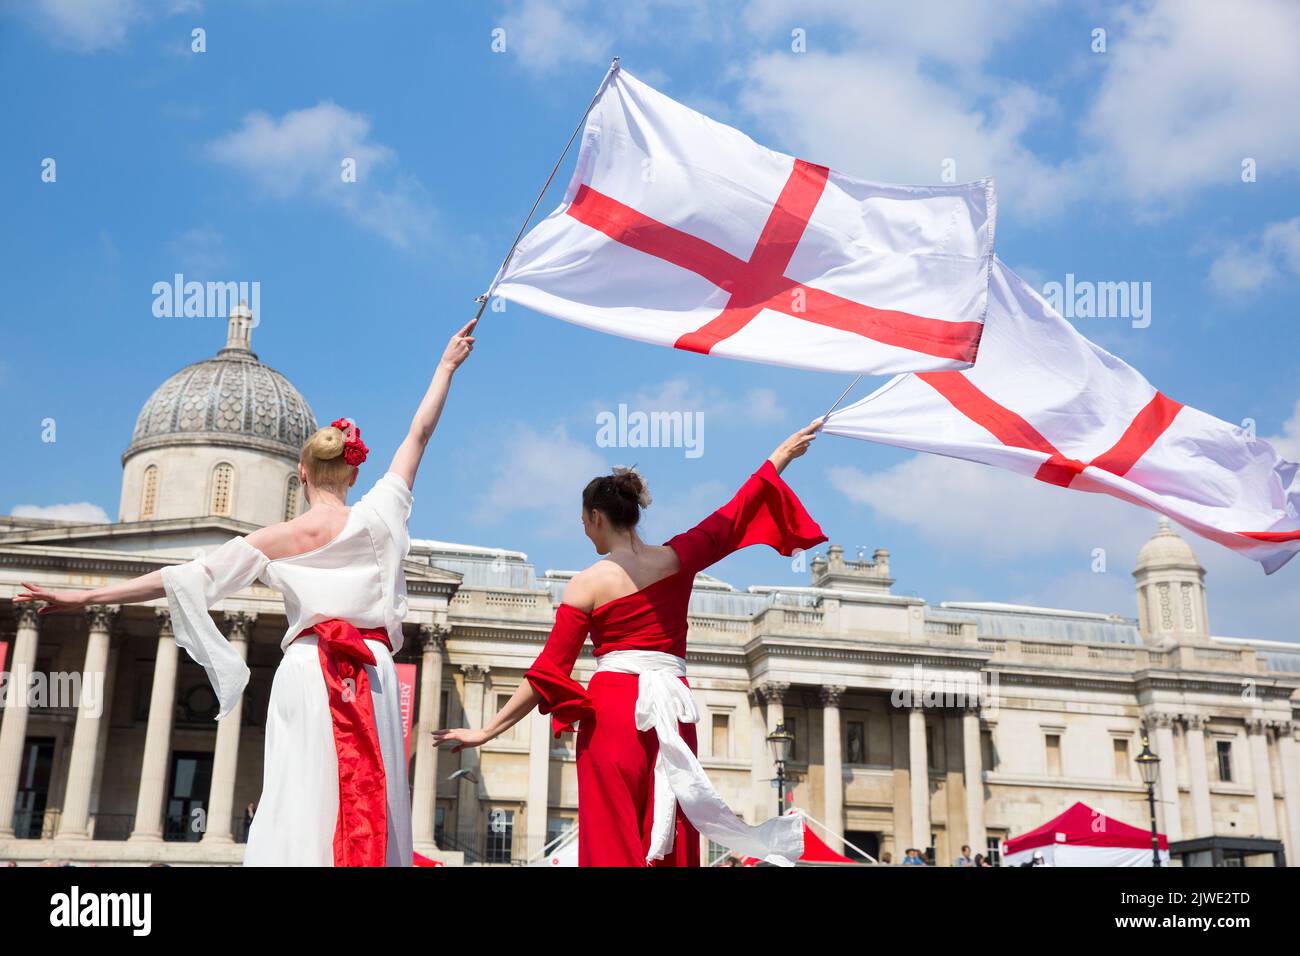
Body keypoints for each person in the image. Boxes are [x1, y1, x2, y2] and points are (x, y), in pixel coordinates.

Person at [17, 321, 476, 866]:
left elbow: (179, 579)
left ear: (299, 474)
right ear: (351, 475)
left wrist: (80, 599)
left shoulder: (271, 539)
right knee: (371, 793)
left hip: (309, 671)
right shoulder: (382, 514)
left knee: (300, 795)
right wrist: (445, 366)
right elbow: (418, 435)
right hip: (371, 672)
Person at [434, 423, 827, 866]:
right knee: (672, 822)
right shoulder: (678, 558)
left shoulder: (588, 583)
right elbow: (731, 515)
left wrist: (487, 730)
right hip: (675, 714)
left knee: (611, 832)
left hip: (614, 714)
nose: (585, 532)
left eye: (584, 523)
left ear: (597, 517)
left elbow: (548, 671)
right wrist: (779, 457)